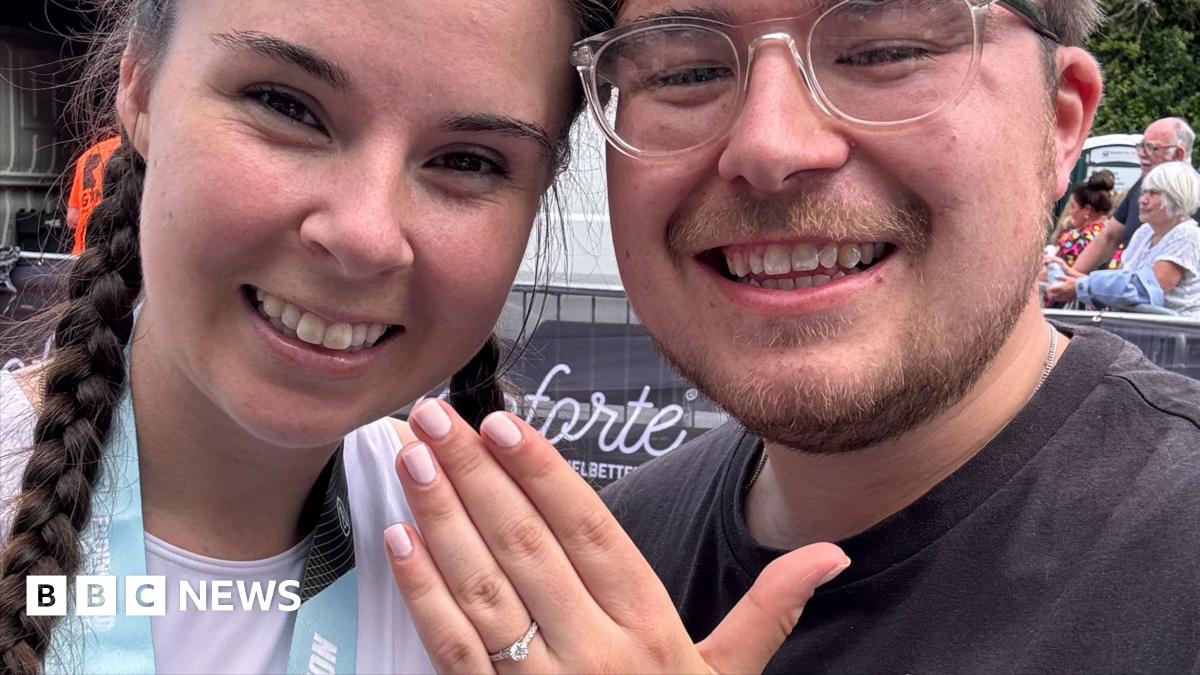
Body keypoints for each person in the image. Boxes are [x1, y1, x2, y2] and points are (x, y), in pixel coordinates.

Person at [1, 1, 840, 673]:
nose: (365, 234)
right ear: (140, 87)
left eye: (470, 161)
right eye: (286, 106)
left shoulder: (521, 609)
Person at [382, 0, 1200, 672]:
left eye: (884, 51)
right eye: (687, 71)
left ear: (1059, 127)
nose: (769, 144)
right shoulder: (609, 558)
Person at [1047, 161, 1200, 315]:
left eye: (1153, 193)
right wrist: (1068, 273)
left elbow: (1146, 290)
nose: (1143, 200)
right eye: (1144, 192)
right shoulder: (1145, 232)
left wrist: (1081, 287)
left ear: (1177, 196)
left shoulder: (1187, 235)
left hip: (1178, 336)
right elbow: (1120, 281)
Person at [1072, 117, 1196, 272]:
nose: (1141, 154)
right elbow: (1109, 236)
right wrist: (1071, 278)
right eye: (1141, 146)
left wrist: (1084, 286)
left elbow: (1153, 287)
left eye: (1152, 148)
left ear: (1178, 154)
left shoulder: (1193, 200)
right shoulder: (1141, 184)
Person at [65, 135, 122, 255]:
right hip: (121, 255)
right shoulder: (140, 152)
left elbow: (73, 217)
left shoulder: (87, 155)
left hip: (85, 258)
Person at [1050, 169, 1114, 267]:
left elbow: (1060, 275)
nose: (1069, 212)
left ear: (1087, 209)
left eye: (1072, 207)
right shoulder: (1111, 231)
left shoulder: (1083, 239)